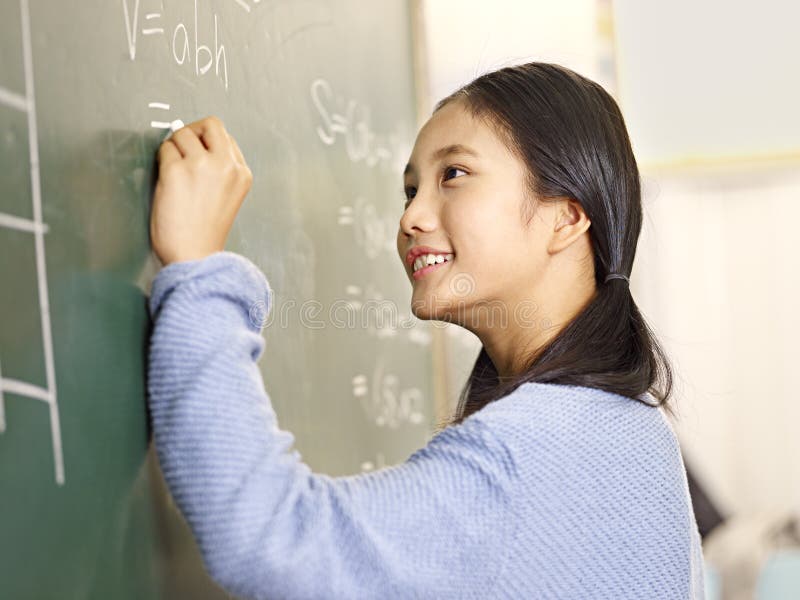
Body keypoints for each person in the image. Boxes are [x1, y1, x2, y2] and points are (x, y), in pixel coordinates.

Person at [148, 61, 706, 598]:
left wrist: (199, 268)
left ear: (566, 215)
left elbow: (273, 538)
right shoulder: (633, 427)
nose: (411, 217)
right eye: (411, 190)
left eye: (454, 175)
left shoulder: (531, 452)